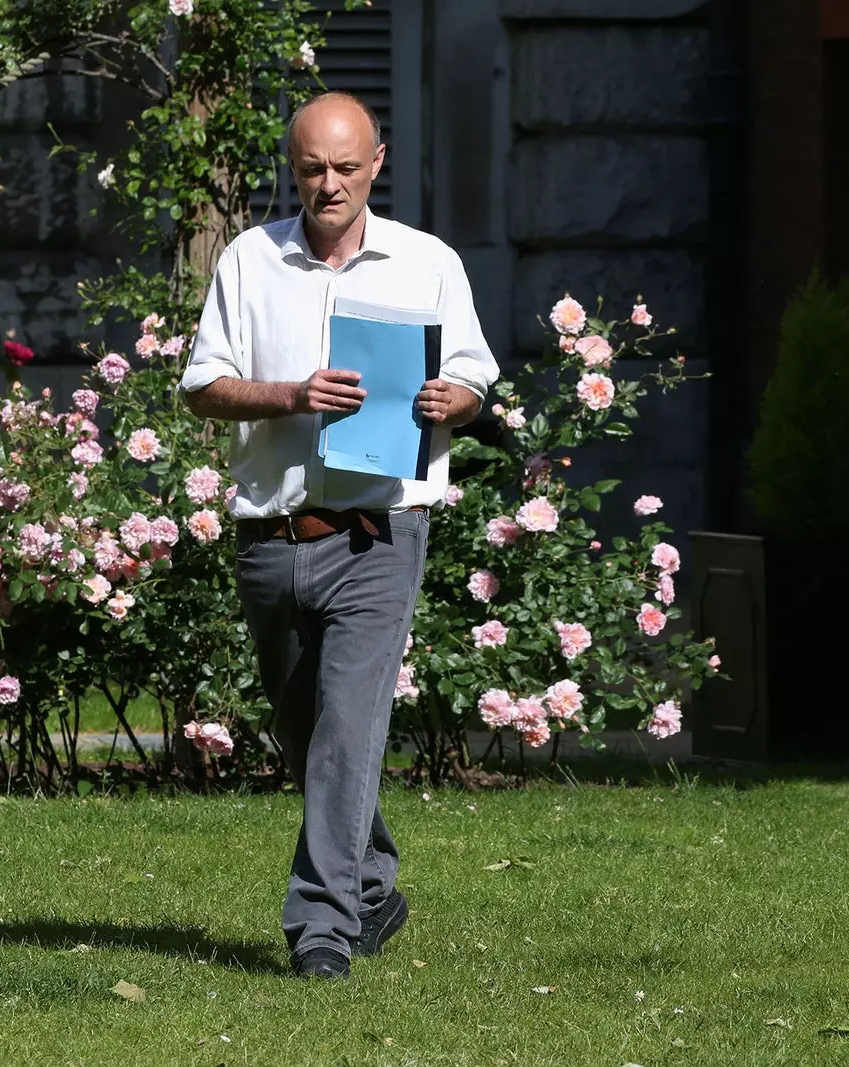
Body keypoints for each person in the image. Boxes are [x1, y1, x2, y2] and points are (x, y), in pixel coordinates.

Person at [179, 91, 499, 980]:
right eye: (314, 167)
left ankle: (320, 927)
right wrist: (290, 395)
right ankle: (369, 888)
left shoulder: (427, 264)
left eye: (347, 167)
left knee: (349, 733)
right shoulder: (251, 260)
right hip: (270, 536)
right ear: (294, 165)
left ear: (377, 162)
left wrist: (455, 402)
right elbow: (202, 384)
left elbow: (475, 373)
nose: (330, 184)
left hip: (379, 536)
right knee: (309, 734)